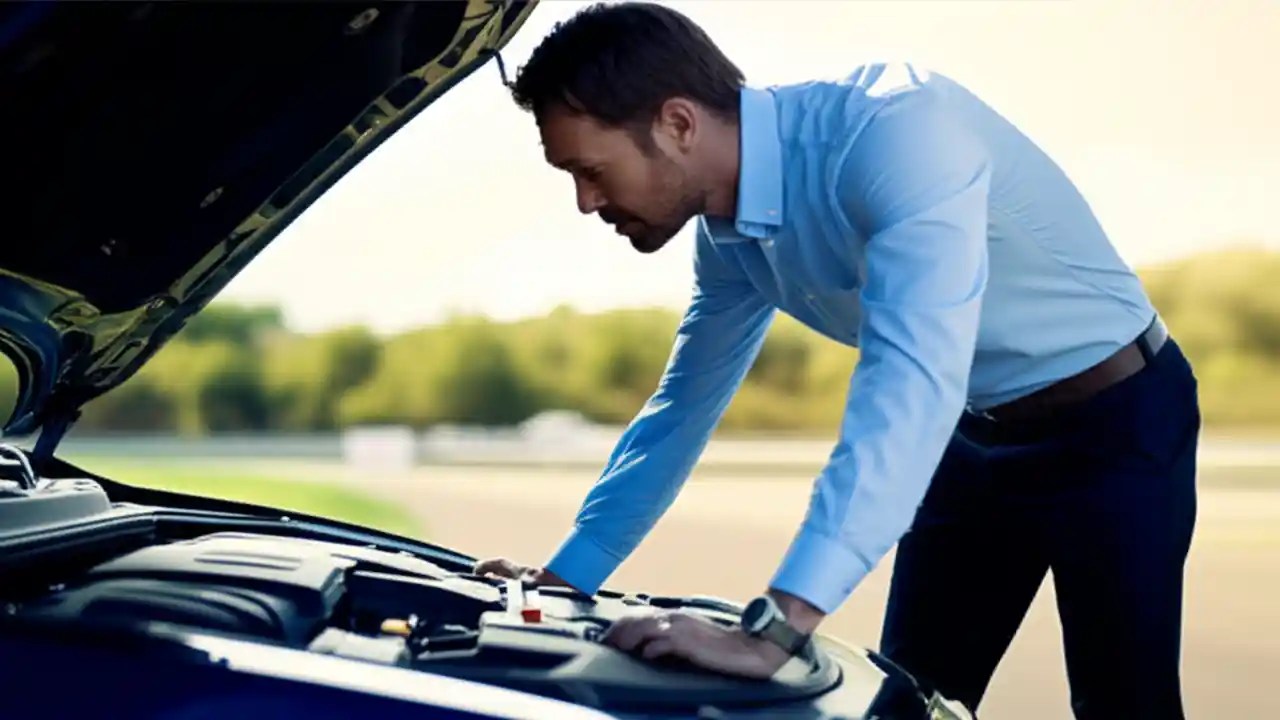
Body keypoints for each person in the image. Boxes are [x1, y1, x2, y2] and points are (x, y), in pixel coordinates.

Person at [475, 3, 1200, 718]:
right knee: (907, 701)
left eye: (590, 170)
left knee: (1124, 706)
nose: (584, 201)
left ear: (678, 124)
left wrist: (778, 629)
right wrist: (566, 580)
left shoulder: (899, 133)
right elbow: (680, 411)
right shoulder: (728, 240)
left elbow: (908, 381)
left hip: (1118, 422)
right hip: (973, 437)